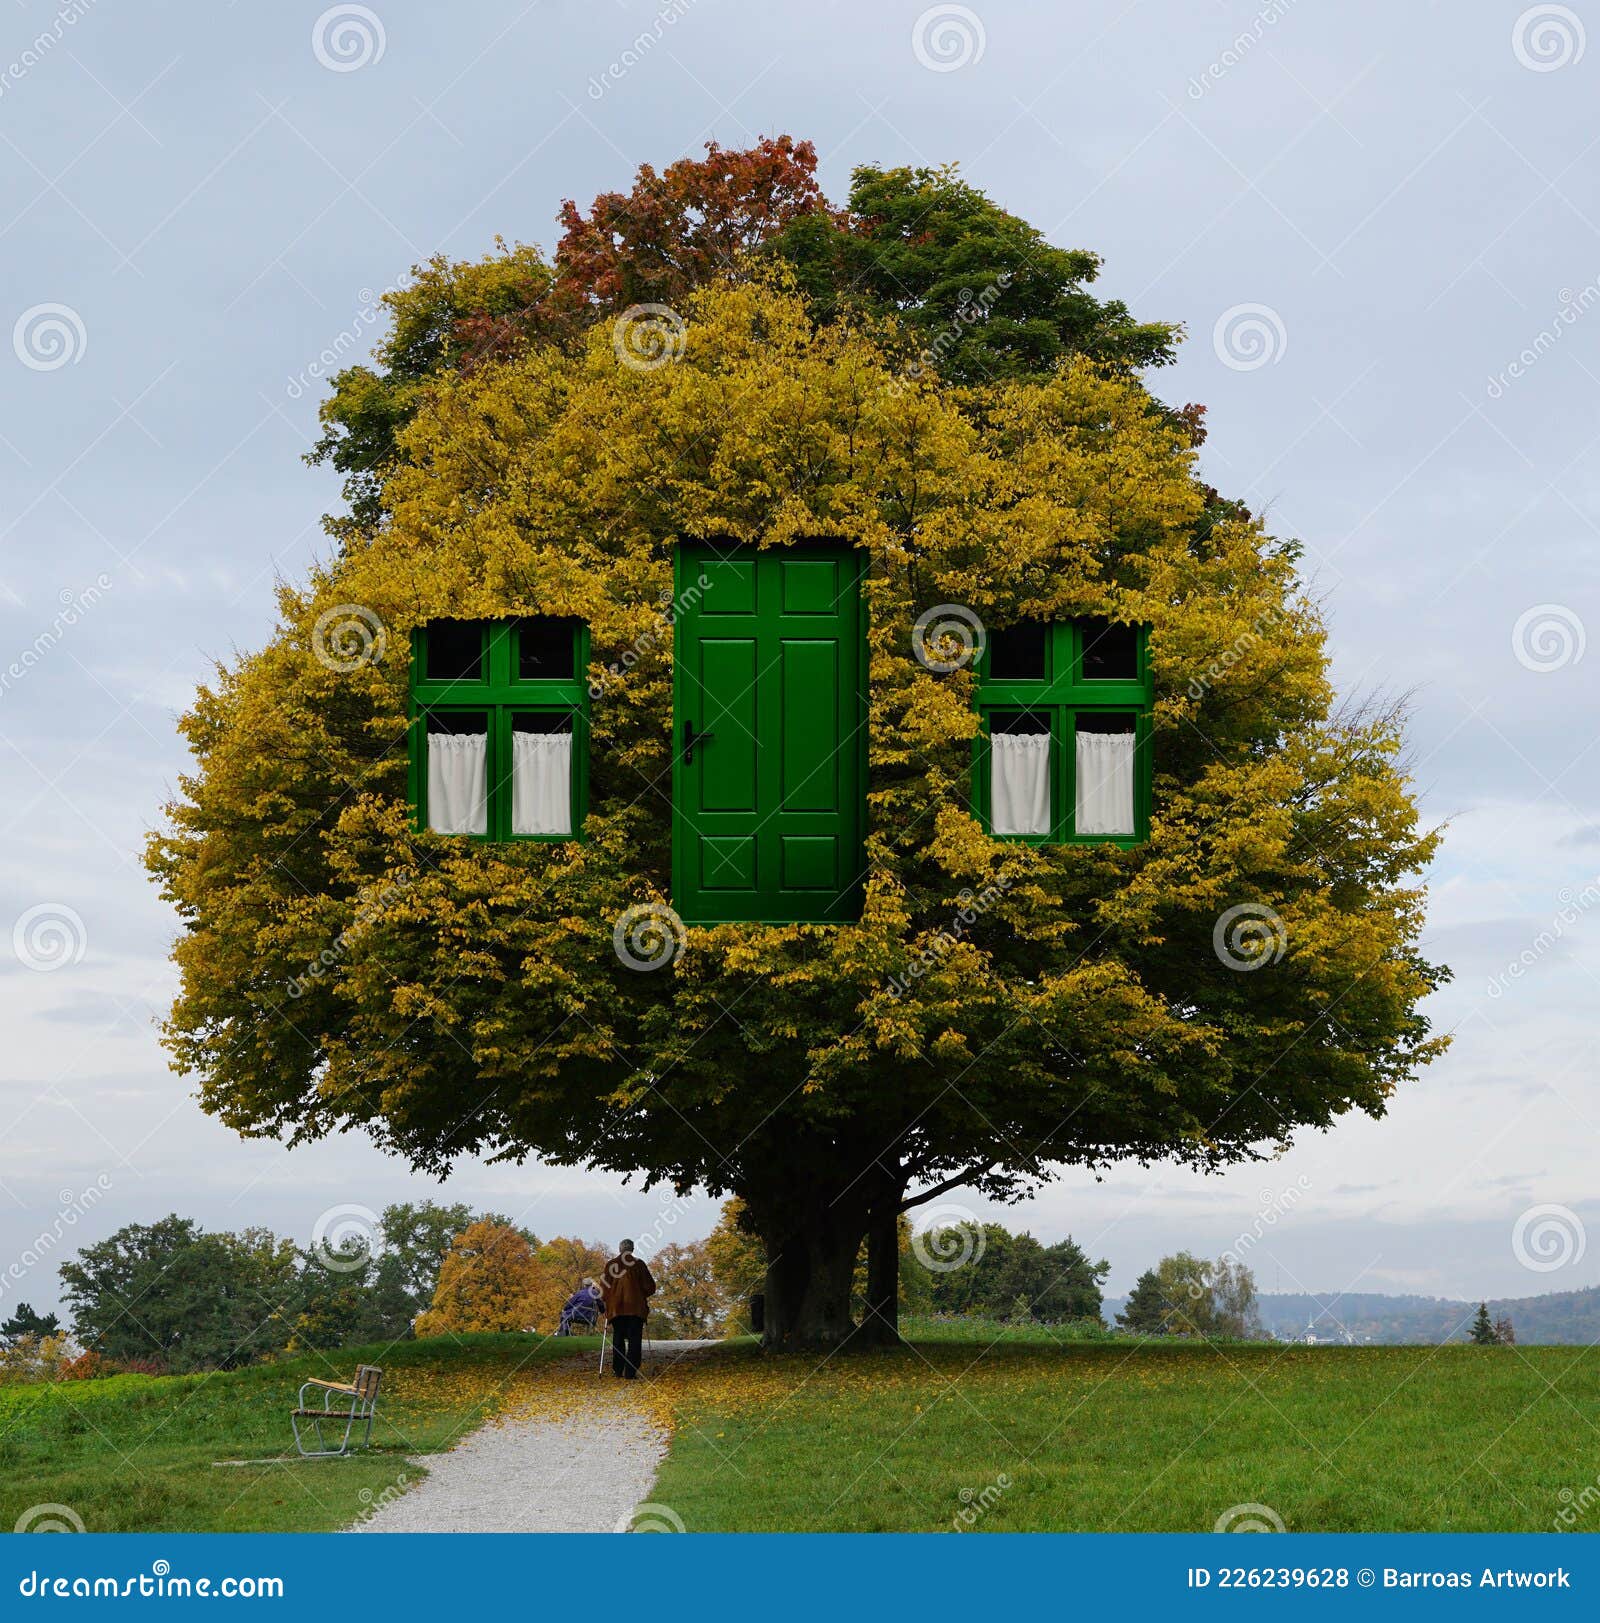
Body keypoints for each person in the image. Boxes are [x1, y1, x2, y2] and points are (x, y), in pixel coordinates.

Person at [599, 1239, 656, 1378]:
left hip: (616, 1309)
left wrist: (609, 1300)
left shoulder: (611, 1264)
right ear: (632, 1249)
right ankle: (630, 1371)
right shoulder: (639, 1264)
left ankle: (618, 1369)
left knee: (618, 1338)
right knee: (634, 1339)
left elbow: (603, 1289)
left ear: (620, 1249)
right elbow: (650, 1287)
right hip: (635, 1308)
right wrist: (640, 1294)